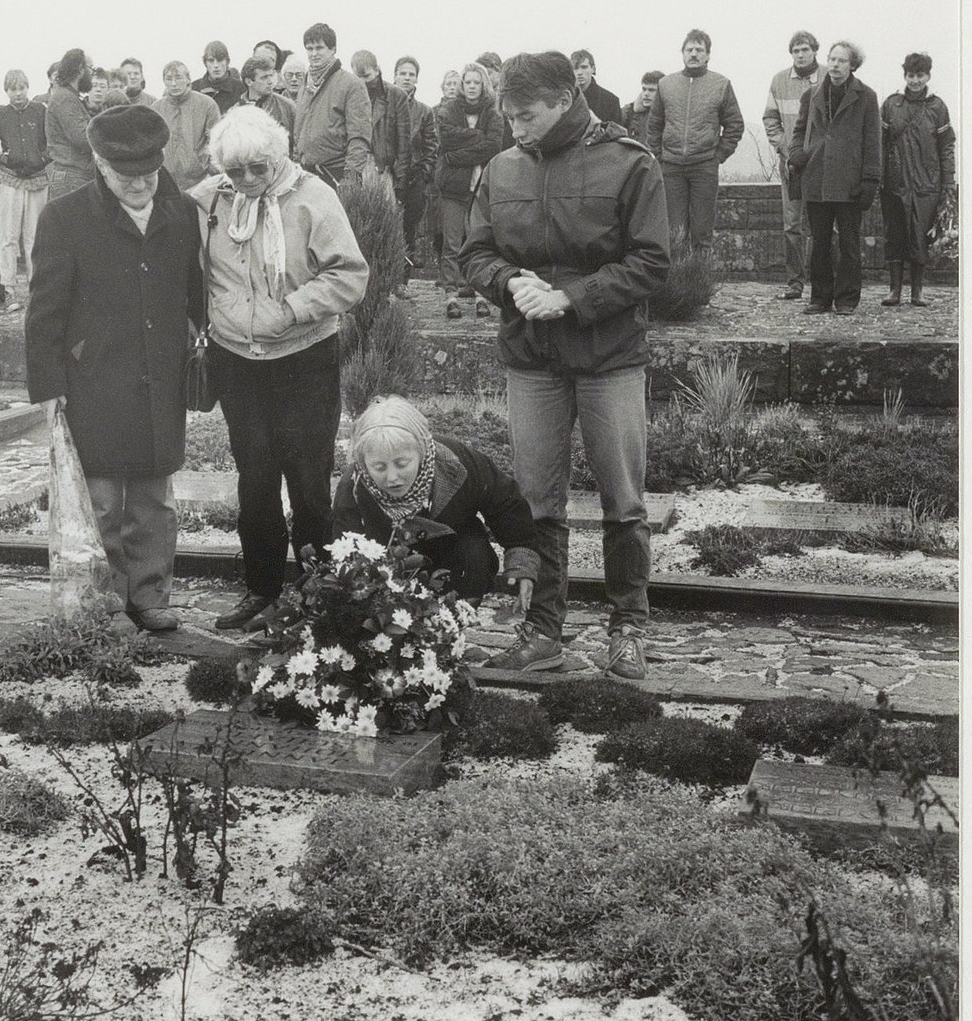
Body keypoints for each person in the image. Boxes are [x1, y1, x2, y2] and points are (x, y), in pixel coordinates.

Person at [461, 51, 670, 682]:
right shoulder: (501, 169)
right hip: (532, 360)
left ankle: (628, 626)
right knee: (536, 503)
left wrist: (570, 299)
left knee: (624, 502)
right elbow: (474, 252)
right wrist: (507, 282)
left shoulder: (630, 162)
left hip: (609, 359)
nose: (516, 128)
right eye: (508, 117)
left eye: (526, 116)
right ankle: (542, 631)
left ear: (563, 100)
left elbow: (652, 261)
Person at [188, 106, 369, 632]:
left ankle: (317, 594)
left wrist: (290, 310)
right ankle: (261, 589)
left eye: (257, 168)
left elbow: (349, 275)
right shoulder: (208, 200)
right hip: (237, 359)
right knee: (255, 477)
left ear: (279, 156)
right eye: (234, 170)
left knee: (308, 480)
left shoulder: (313, 197)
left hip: (304, 356)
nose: (246, 179)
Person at [26, 104, 203, 631]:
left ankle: (149, 595)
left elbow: (196, 292)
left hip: (160, 375)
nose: (141, 185)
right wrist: (49, 384)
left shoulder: (181, 212)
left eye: (150, 173)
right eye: (127, 177)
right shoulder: (64, 217)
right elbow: (44, 309)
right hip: (95, 377)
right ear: (101, 166)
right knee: (101, 498)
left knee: (154, 495)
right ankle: (104, 601)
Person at [332, 396, 539, 606]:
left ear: (421, 450)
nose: (392, 477)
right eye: (379, 467)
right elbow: (344, 546)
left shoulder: (456, 463)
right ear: (363, 462)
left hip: (454, 551)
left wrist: (521, 559)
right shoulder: (354, 485)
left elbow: (504, 503)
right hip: (389, 564)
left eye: (402, 463)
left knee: (473, 555)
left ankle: (459, 615)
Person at [788, 41, 881, 317]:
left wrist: (870, 179)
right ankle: (820, 298)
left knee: (849, 244)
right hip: (816, 179)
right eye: (832, 59)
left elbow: (872, 140)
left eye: (842, 60)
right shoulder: (812, 94)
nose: (836, 65)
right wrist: (796, 153)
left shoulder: (866, 96)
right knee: (819, 243)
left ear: (853, 65)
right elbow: (799, 130)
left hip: (850, 182)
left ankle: (847, 299)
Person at [646, 29, 745, 255]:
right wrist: (660, 156)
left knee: (702, 232)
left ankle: (700, 276)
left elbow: (735, 125)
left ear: (708, 55)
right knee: (675, 232)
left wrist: (718, 156)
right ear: (682, 53)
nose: (693, 54)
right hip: (672, 168)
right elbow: (654, 125)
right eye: (689, 49)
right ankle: (677, 277)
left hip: (704, 167)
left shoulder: (721, 84)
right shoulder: (666, 84)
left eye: (699, 50)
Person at [879, 52, 954, 309]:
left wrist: (948, 181)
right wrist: (879, 176)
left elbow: (946, 147)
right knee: (895, 233)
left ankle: (917, 292)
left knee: (921, 235)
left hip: (927, 183)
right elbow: (880, 143)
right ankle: (894, 290)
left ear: (928, 76)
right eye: (911, 75)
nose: (915, 80)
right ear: (905, 76)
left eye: (920, 75)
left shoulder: (938, 107)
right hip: (895, 181)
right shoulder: (891, 104)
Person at [433, 63, 505, 319]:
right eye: (468, 82)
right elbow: (446, 140)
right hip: (454, 186)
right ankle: (451, 296)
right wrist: (477, 137)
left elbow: (492, 147)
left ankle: (480, 295)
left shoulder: (493, 113)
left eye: (477, 82)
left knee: (479, 242)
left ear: (483, 84)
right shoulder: (449, 110)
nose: (472, 86)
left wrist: (455, 156)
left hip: (481, 188)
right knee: (451, 243)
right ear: (462, 85)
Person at [0, 69, 49, 303]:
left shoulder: (40, 111)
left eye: (21, 88)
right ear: (6, 91)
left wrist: (43, 158)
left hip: (37, 180)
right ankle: (9, 289)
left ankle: (36, 288)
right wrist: (1, 158)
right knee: (8, 236)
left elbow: (53, 141)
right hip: (10, 180)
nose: (18, 93)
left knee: (34, 237)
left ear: (28, 87)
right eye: (12, 89)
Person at [762, 31, 822, 300]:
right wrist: (786, 150)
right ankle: (795, 282)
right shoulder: (779, 81)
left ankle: (824, 280)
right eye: (796, 50)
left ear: (814, 51)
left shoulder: (828, 77)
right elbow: (770, 120)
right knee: (792, 225)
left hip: (821, 165)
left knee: (824, 225)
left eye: (805, 49)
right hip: (791, 165)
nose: (800, 55)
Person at [294, 22, 372, 185]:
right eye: (309, 48)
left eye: (319, 48)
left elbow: (359, 136)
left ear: (333, 49)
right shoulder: (304, 85)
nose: (314, 54)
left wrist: (351, 179)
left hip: (336, 174)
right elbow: (298, 132)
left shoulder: (352, 84)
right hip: (306, 174)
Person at [393, 56, 438, 271]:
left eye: (411, 74)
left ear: (417, 79)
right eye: (403, 73)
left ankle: (403, 278)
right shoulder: (385, 105)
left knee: (408, 229)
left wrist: (422, 174)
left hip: (413, 180)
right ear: (395, 76)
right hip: (387, 175)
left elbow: (431, 147)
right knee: (385, 226)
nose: (407, 78)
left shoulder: (424, 111)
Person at [351, 50, 412, 196]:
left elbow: (404, 145)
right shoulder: (349, 94)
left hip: (383, 171)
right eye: (358, 77)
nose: (363, 82)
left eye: (367, 76)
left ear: (377, 70)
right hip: (354, 169)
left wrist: (400, 183)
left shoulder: (397, 96)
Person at [154, 60, 222, 192]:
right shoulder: (156, 109)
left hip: (201, 182)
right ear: (164, 81)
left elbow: (216, 143)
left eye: (178, 78)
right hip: (166, 183)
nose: (174, 83)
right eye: (169, 79)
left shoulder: (207, 104)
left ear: (188, 79)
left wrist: (210, 170)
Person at [46, 48, 97, 201]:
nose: (92, 75)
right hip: (72, 177)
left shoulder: (67, 97)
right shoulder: (65, 99)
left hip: (73, 176)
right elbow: (82, 138)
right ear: (81, 70)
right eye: (91, 69)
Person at [236, 56, 296, 147]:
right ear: (249, 82)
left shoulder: (288, 106)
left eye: (271, 75)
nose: (270, 81)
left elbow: (298, 143)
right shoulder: (236, 112)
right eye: (264, 77)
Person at [570, 50, 622, 125]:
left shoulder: (611, 102)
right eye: (575, 68)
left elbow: (616, 131)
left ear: (593, 69)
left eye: (584, 67)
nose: (579, 72)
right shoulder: (564, 99)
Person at [193, 40, 246, 114]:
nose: (216, 65)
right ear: (205, 63)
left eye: (220, 60)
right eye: (211, 60)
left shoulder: (241, 89)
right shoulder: (194, 89)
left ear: (227, 62)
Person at [619, 71, 663, 143]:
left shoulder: (669, 115)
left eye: (652, 90)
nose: (646, 94)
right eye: (644, 89)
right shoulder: (629, 112)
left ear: (661, 92)